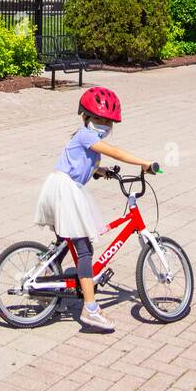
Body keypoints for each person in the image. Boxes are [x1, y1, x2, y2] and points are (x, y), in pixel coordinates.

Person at [34, 85, 157, 333]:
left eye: (108, 120)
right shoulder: (86, 135)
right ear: (86, 117)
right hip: (65, 191)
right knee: (84, 250)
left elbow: (83, 163)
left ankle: (46, 287)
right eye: (99, 118)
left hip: (63, 188)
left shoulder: (88, 139)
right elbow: (116, 152)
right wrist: (145, 162)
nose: (104, 124)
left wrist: (102, 172)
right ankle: (90, 310)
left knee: (64, 241)